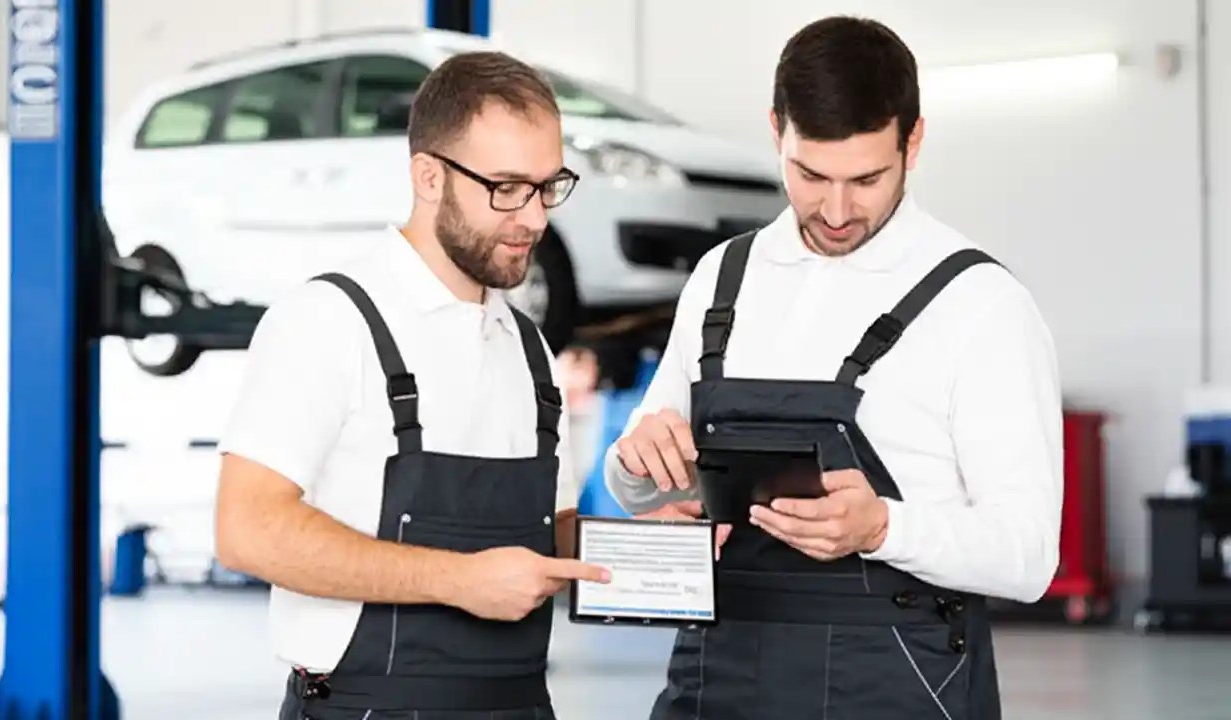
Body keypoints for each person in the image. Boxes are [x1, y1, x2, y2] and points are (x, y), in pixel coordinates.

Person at [605, 15, 1063, 720]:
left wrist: (882, 529)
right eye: (811, 175)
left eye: (867, 178)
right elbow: (639, 481)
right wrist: (638, 464)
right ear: (776, 132)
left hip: (899, 686)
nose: (838, 210)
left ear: (914, 142)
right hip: (717, 679)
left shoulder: (981, 303)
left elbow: (1028, 557)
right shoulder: (722, 278)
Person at [214, 50, 611, 719]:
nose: (536, 218)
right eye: (507, 188)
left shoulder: (529, 349)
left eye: (548, 187)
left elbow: (551, 529)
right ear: (429, 176)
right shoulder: (329, 321)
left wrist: (648, 548)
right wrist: (459, 580)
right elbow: (247, 528)